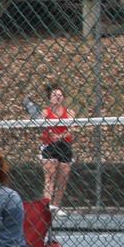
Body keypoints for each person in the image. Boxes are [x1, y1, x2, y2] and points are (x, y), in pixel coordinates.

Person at [33, 84, 76, 216]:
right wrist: (49, 135)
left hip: (65, 146)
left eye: (59, 95)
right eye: (54, 95)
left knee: (62, 179)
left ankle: (56, 207)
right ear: (49, 98)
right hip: (49, 147)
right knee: (49, 177)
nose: (57, 97)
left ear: (63, 98)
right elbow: (40, 129)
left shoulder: (69, 113)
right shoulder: (45, 113)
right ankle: (47, 206)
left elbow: (72, 129)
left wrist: (60, 136)